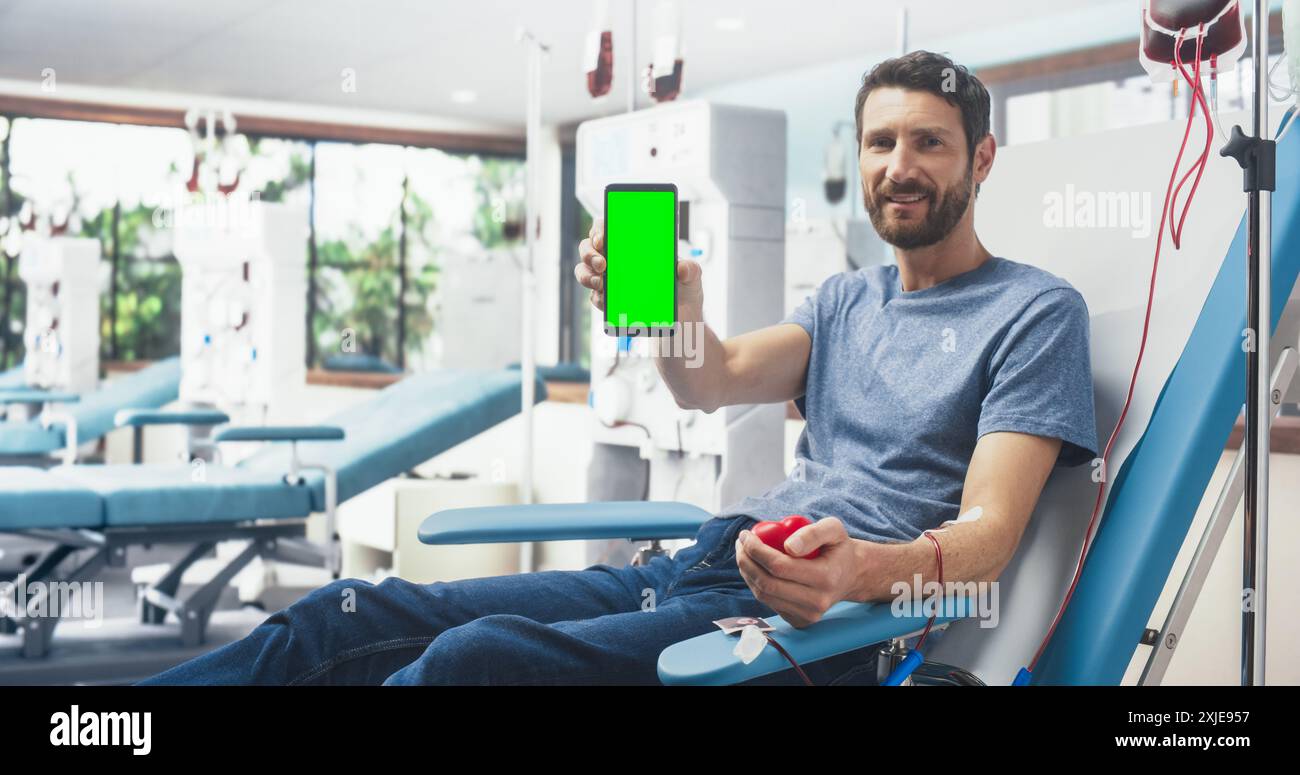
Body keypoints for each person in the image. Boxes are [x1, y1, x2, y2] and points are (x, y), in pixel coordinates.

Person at [140, 50, 1097, 686]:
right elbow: (710, 379)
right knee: (351, 608)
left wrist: (858, 575)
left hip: (819, 626)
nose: (900, 164)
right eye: (881, 142)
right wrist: (674, 316)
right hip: (705, 561)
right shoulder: (846, 300)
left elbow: (986, 536)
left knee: (476, 663)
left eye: (929, 142)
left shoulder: (1033, 310)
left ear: (982, 158)